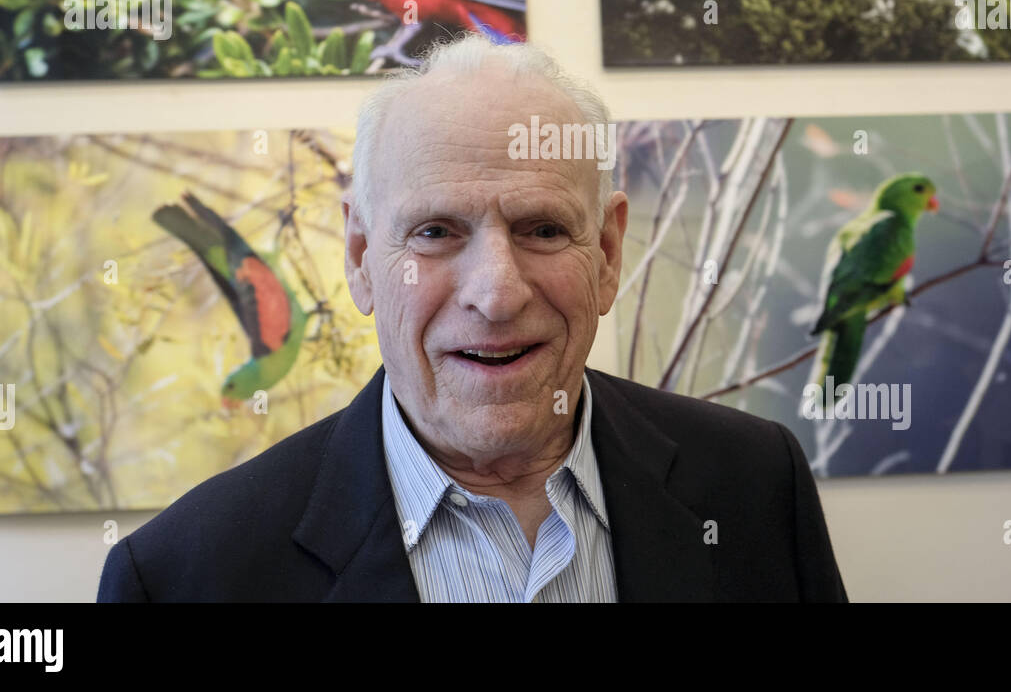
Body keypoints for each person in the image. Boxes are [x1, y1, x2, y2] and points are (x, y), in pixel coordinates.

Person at [97, 35, 848, 602]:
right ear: (361, 256)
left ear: (610, 252)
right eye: (435, 232)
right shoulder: (183, 576)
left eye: (544, 230)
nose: (496, 293)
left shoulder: (753, 486)